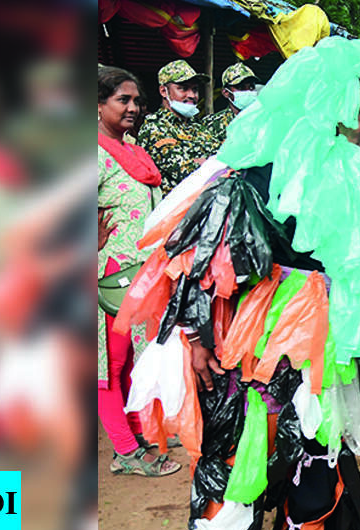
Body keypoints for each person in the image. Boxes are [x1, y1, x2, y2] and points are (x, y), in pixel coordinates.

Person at [134, 38, 360, 530]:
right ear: (324, 106)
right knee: (249, 440)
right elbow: (205, 259)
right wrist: (197, 337)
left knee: (319, 432)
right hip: (266, 341)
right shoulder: (263, 171)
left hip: (327, 340)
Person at [96, 66, 179, 477]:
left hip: (139, 276)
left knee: (132, 362)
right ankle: (126, 451)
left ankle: (140, 434)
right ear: (97, 105)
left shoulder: (133, 149)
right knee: (107, 367)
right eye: (122, 100)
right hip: (103, 278)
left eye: (136, 101)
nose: (133, 107)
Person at [136, 59, 221, 194]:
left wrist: (206, 162)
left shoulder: (198, 126)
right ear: (164, 91)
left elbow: (224, 160)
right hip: (174, 211)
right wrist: (206, 163)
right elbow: (186, 171)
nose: (192, 95)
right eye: (183, 88)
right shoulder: (155, 128)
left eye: (195, 89)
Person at [203, 62, 260, 142]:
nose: (248, 91)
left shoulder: (263, 120)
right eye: (241, 87)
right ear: (226, 93)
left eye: (251, 87)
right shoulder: (213, 124)